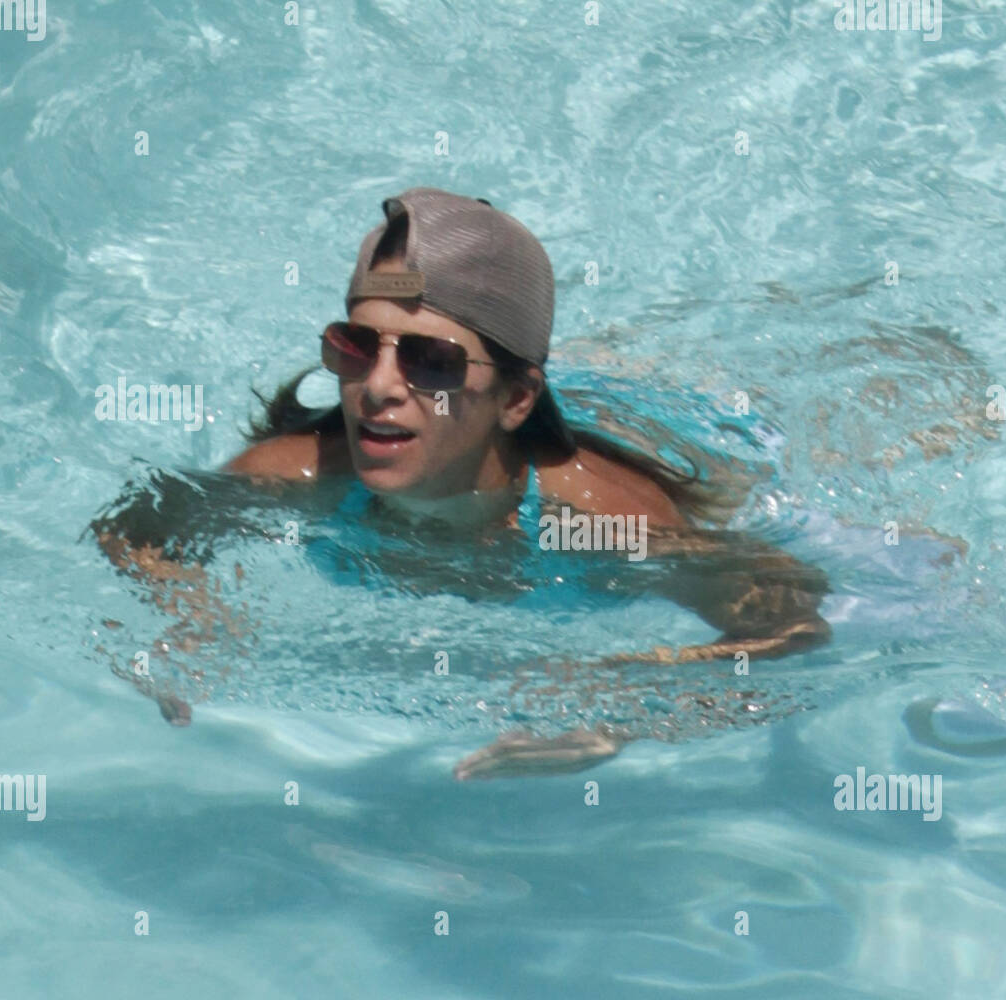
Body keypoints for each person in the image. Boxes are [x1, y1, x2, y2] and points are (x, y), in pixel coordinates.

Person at [95, 187, 831, 777]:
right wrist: (188, 613)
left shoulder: (593, 520)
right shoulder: (307, 473)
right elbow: (138, 524)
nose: (378, 387)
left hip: (689, 423)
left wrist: (624, 704)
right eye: (355, 347)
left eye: (430, 361)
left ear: (516, 399)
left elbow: (790, 620)